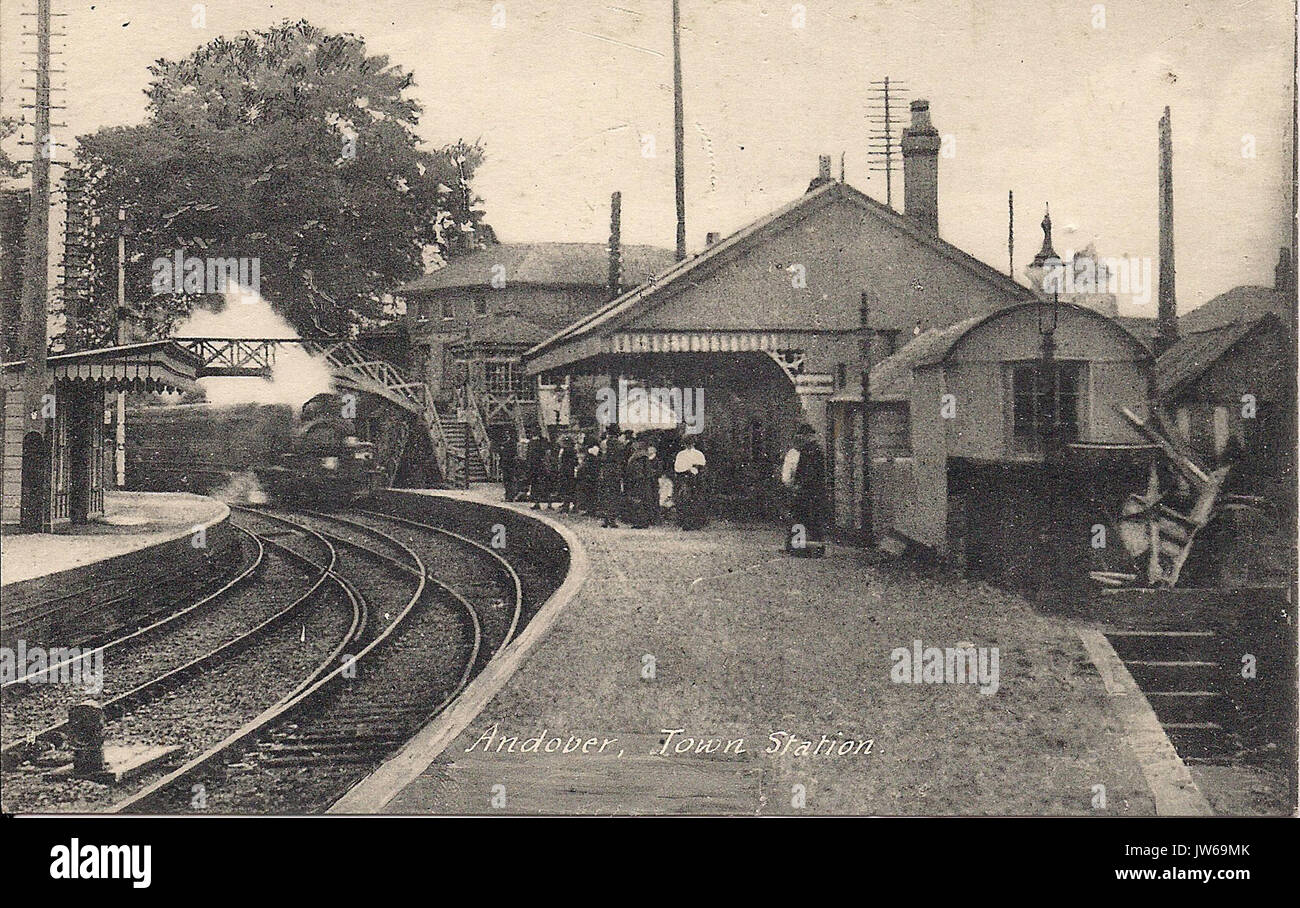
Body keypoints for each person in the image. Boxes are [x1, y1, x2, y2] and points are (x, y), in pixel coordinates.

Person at [784, 423, 827, 557]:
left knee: (800, 517)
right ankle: (816, 549)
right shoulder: (816, 451)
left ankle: (799, 547)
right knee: (813, 520)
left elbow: (807, 473)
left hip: (806, 490)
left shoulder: (807, 452)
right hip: (815, 491)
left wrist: (799, 485)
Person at [673, 436, 708, 529]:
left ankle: (697, 522)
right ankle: (686, 522)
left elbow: (702, 466)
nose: (689, 445)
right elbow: (677, 468)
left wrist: (696, 469)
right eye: (687, 443)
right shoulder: (681, 454)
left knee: (696, 499)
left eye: (690, 443)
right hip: (685, 478)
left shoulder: (698, 454)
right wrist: (687, 469)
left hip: (696, 479)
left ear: (694, 443)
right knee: (685, 499)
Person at [624, 439, 660, 528]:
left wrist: (635, 479)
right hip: (644, 481)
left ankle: (641, 522)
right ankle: (643, 521)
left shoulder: (638, 457)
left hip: (638, 482)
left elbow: (638, 471)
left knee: (638, 501)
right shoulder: (644, 457)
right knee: (644, 501)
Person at [597, 429, 625, 527]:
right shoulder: (620, 444)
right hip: (615, 472)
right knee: (614, 495)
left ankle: (605, 519)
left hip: (605, 471)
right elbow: (622, 459)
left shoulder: (603, 444)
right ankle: (612, 519)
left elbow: (599, 458)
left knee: (605, 495)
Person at [556, 436, 578, 514]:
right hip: (570, 471)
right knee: (571, 489)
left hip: (565, 471)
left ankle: (566, 507)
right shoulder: (574, 451)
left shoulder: (565, 451)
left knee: (566, 489)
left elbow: (561, 461)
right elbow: (576, 462)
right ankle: (574, 506)